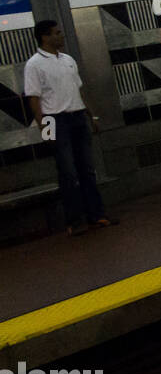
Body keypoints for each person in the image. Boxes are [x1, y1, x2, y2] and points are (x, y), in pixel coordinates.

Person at [24, 20, 119, 236]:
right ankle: (74, 221)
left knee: (87, 169)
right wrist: (46, 130)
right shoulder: (35, 64)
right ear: (45, 37)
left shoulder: (68, 60)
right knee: (68, 172)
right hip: (57, 121)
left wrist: (91, 115)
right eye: (57, 33)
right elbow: (34, 100)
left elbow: (79, 90)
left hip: (77, 117)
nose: (61, 36)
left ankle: (96, 216)